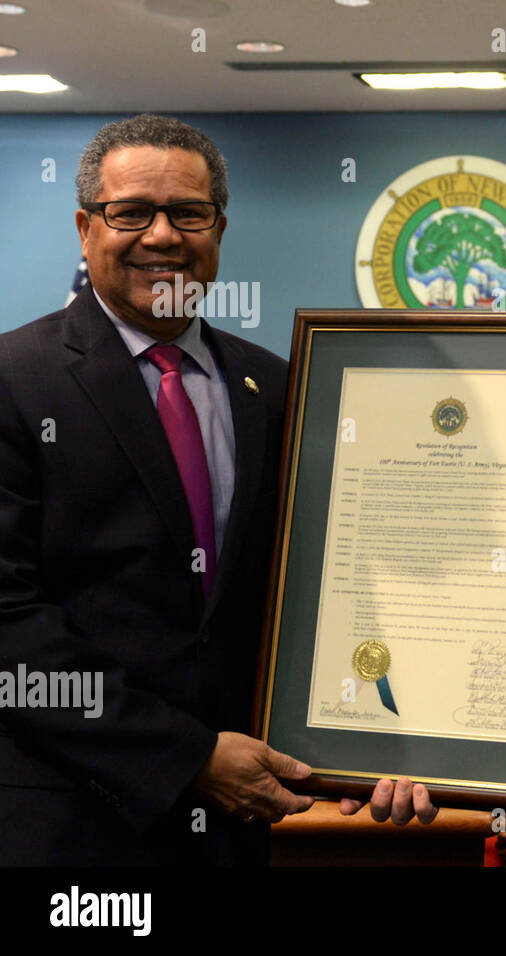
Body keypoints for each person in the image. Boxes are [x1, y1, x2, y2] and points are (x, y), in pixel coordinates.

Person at [0, 114, 313, 865]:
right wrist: (189, 757)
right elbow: (8, 626)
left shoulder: (275, 385)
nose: (163, 236)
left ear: (219, 228)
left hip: (237, 830)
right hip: (70, 824)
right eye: (131, 212)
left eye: (189, 214)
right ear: (85, 228)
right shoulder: (14, 380)